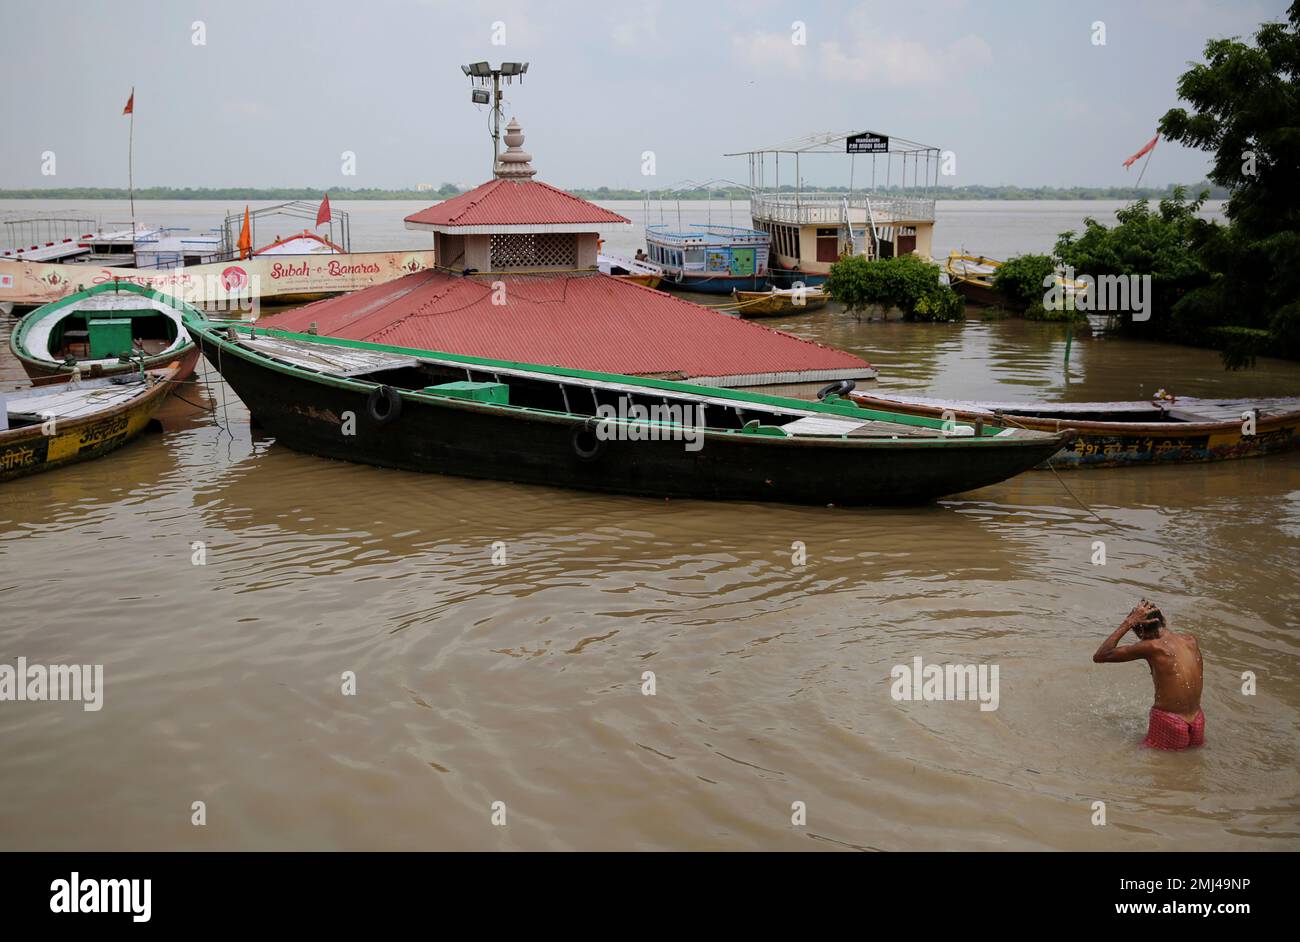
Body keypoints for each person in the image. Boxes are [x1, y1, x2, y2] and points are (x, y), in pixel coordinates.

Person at [1092, 600, 1205, 750]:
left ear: (1141, 632)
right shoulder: (1190, 640)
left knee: (1154, 765)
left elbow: (1101, 655)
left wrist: (1127, 623)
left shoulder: (1152, 647)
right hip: (1197, 720)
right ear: (1164, 621)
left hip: (1170, 721)